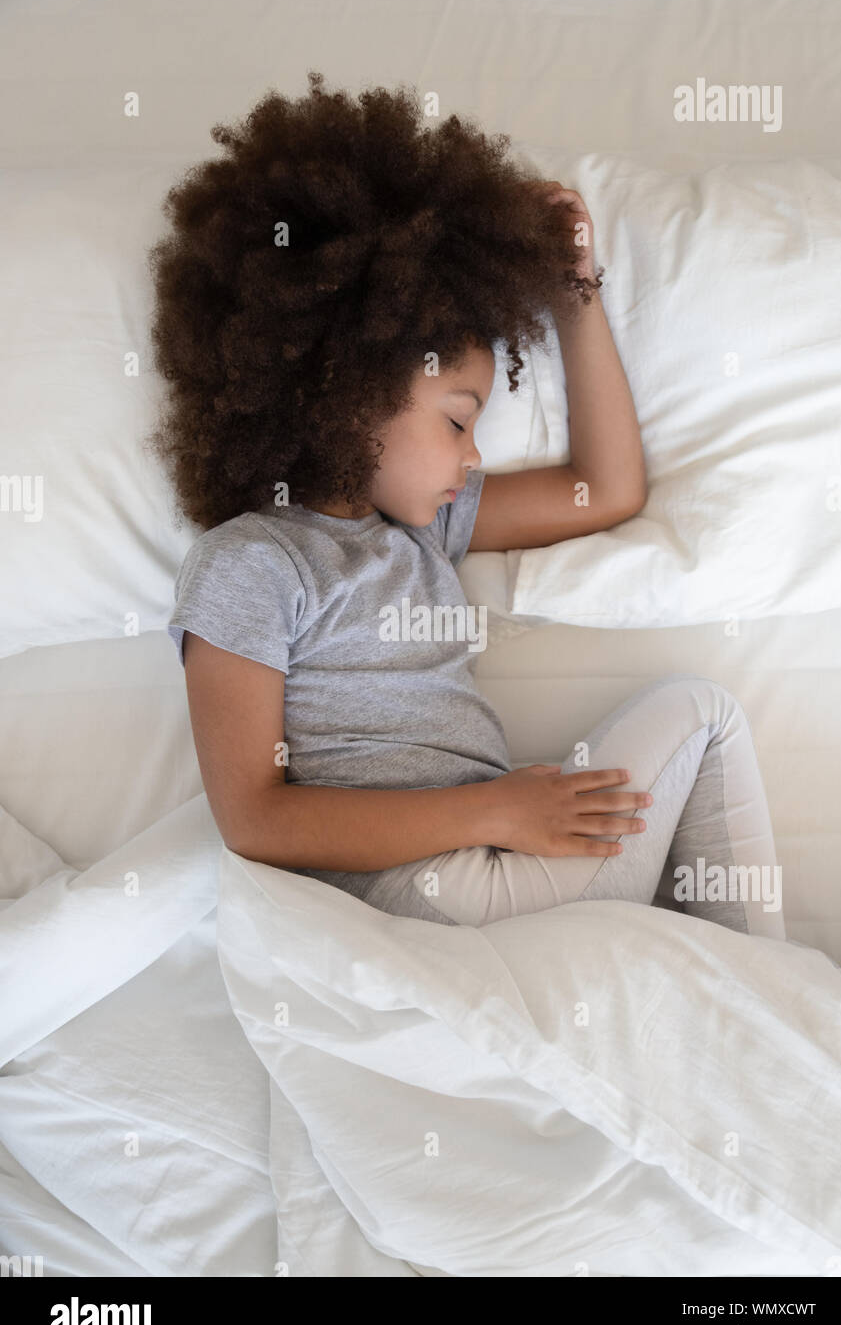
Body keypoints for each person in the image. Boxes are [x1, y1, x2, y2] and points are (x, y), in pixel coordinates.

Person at [149, 71, 785, 942]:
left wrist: (575, 298)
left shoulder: (422, 529)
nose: (474, 454)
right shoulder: (250, 562)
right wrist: (494, 811)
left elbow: (607, 489)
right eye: (458, 419)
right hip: (426, 884)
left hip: (488, 868)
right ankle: (767, 998)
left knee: (697, 737)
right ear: (353, 390)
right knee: (703, 716)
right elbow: (257, 820)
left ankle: (738, 997)